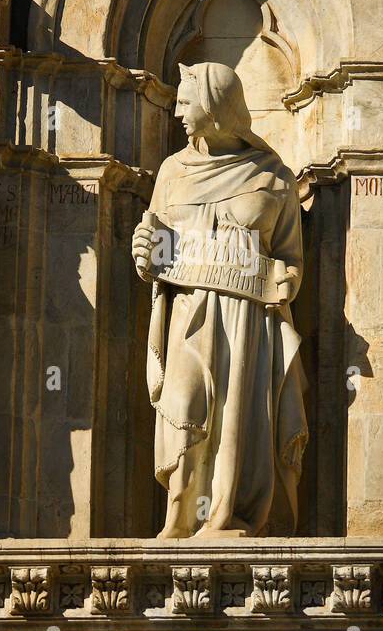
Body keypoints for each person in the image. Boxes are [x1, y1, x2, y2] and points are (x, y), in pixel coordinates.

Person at [132, 61, 308, 538]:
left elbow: (291, 255)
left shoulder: (274, 176)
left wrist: (287, 281)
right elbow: (154, 244)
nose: (177, 115)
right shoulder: (172, 172)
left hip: (248, 317)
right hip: (188, 310)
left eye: (186, 104)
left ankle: (228, 515)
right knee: (185, 403)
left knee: (237, 417)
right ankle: (179, 516)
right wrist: (145, 255)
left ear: (215, 107)